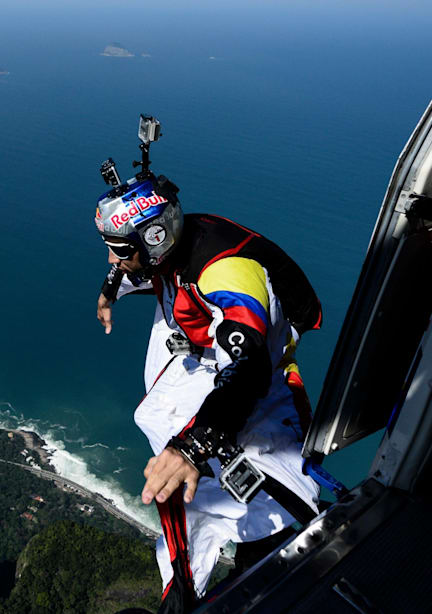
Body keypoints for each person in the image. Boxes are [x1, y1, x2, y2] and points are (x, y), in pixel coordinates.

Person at [93, 175, 322, 612]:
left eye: (120, 251)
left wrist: (192, 447)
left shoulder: (227, 274)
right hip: (206, 357)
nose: (112, 259)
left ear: (155, 238)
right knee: (186, 470)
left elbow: (250, 365)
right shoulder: (172, 247)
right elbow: (130, 260)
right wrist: (109, 291)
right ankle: (195, 579)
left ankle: (260, 562)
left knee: (268, 492)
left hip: (259, 383)